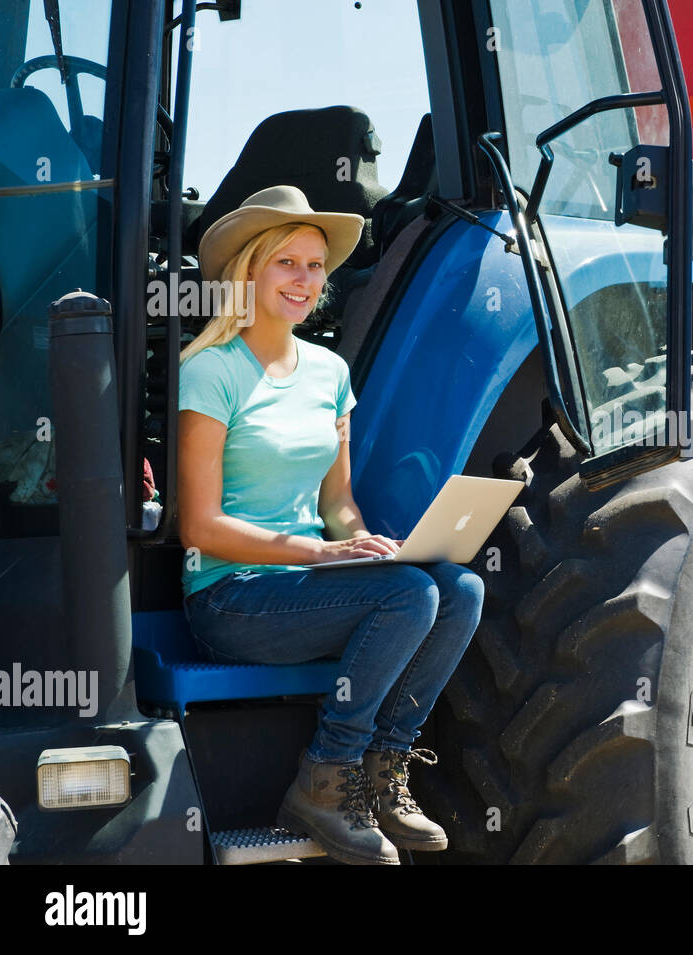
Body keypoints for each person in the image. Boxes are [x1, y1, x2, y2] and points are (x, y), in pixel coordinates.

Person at [177, 185, 484, 865]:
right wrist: (318, 553)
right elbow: (199, 525)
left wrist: (371, 546)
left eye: (316, 267)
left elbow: (338, 504)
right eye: (288, 263)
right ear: (249, 271)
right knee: (412, 596)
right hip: (233, 595)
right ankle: (326, 774)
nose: (306, 280)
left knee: (459, 589)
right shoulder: (208, 372)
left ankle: (382, 765)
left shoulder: (330, 373)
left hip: (306, 581)